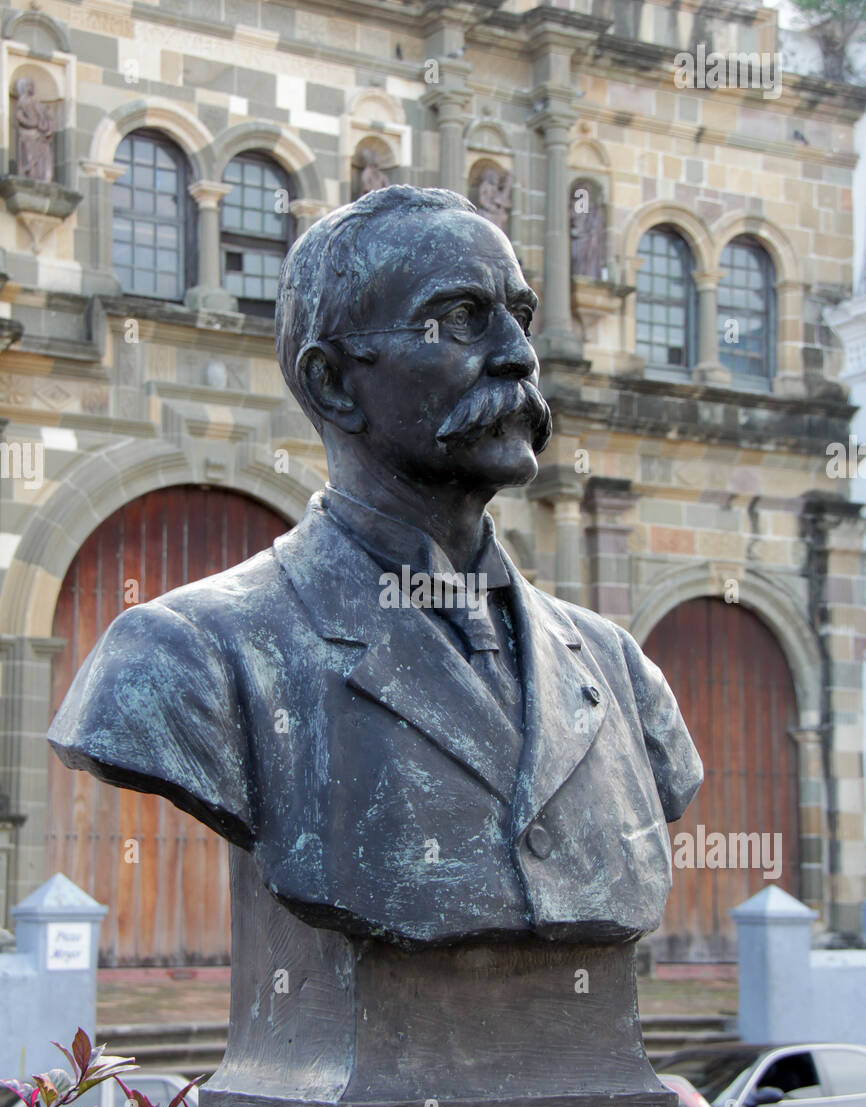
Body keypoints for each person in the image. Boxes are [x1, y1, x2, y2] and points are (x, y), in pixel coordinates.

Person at [48, 185, 701, 949]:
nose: (520, 356)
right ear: (332, 382)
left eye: (518, 317)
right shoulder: (184, 656)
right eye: (461, 317)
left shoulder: (621, 670)